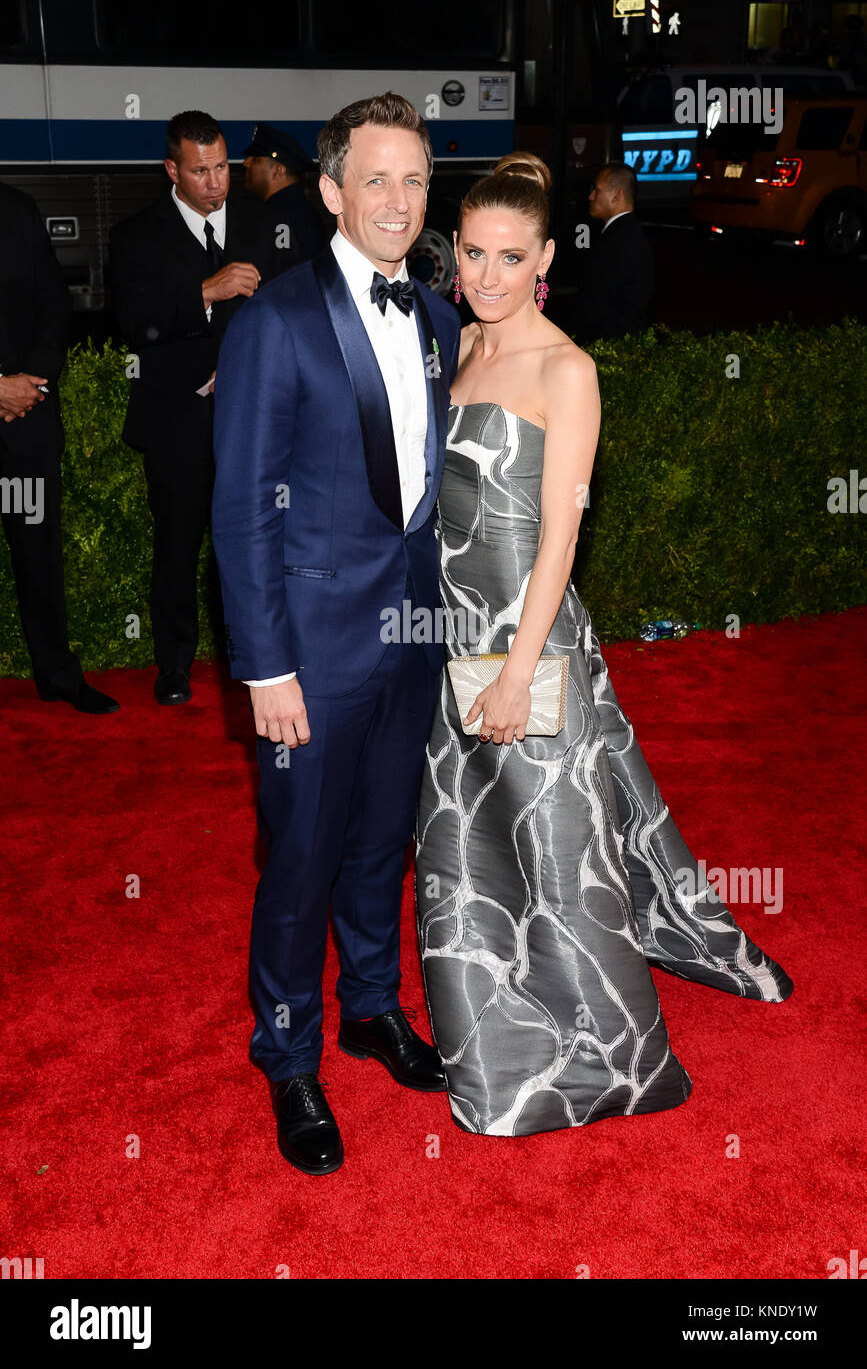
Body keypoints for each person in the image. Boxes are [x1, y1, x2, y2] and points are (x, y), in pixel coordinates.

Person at [415, 152, 793, 1138]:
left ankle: (604, 1059)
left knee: (556, 850)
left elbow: (561, 537)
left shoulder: (566, 370)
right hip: (451, 632)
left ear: (545, 257)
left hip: (524, 639)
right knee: (463, 852)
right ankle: (487, 1046)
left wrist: (517, 672)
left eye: (509, 256)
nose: (487, 275)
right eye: (471, 253)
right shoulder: (455, 348)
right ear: (453, 252)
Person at [211, 93, 462, 1176]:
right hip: (308, 652)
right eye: (376, 179)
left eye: (414, 180)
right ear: (329, 192)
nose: (399, 201)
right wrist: (264, 663)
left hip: (415, 636)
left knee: (381, 844)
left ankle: (369, 1006)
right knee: (301, 859)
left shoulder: (442, 319)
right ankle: (289, 1054)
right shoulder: (277, 319)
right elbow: (238, 502)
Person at [110, 110, 281, 707]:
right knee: (177, 547)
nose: (215, 182)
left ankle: (260, 660)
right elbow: (137, 323)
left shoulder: (264, 224)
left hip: (255, 417)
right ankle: (174, 665)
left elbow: (291, 313)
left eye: (221, 168)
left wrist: (245, 369)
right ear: (171, 170)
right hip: (177, 422)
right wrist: (207, 291)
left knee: (260, 544)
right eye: (199, 171)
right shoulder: (138, 233)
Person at [0, 182, 118, 714]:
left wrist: (30, 381)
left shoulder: (17, 208)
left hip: (23, 423)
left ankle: (57, 676)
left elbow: (55, 304)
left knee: (39, 560)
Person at [573, 161, 655, 343]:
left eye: (597, 190)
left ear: (617, 194)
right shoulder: (623, 233)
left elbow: (597, 304)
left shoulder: (621, 239)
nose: (591, 196)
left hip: (611, 348)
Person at [242, 121, 328, 268]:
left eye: (256, 159)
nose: (246, 163)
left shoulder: (281, 215)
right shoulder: (295, 208)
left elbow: (281, 274)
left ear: (278, 170)